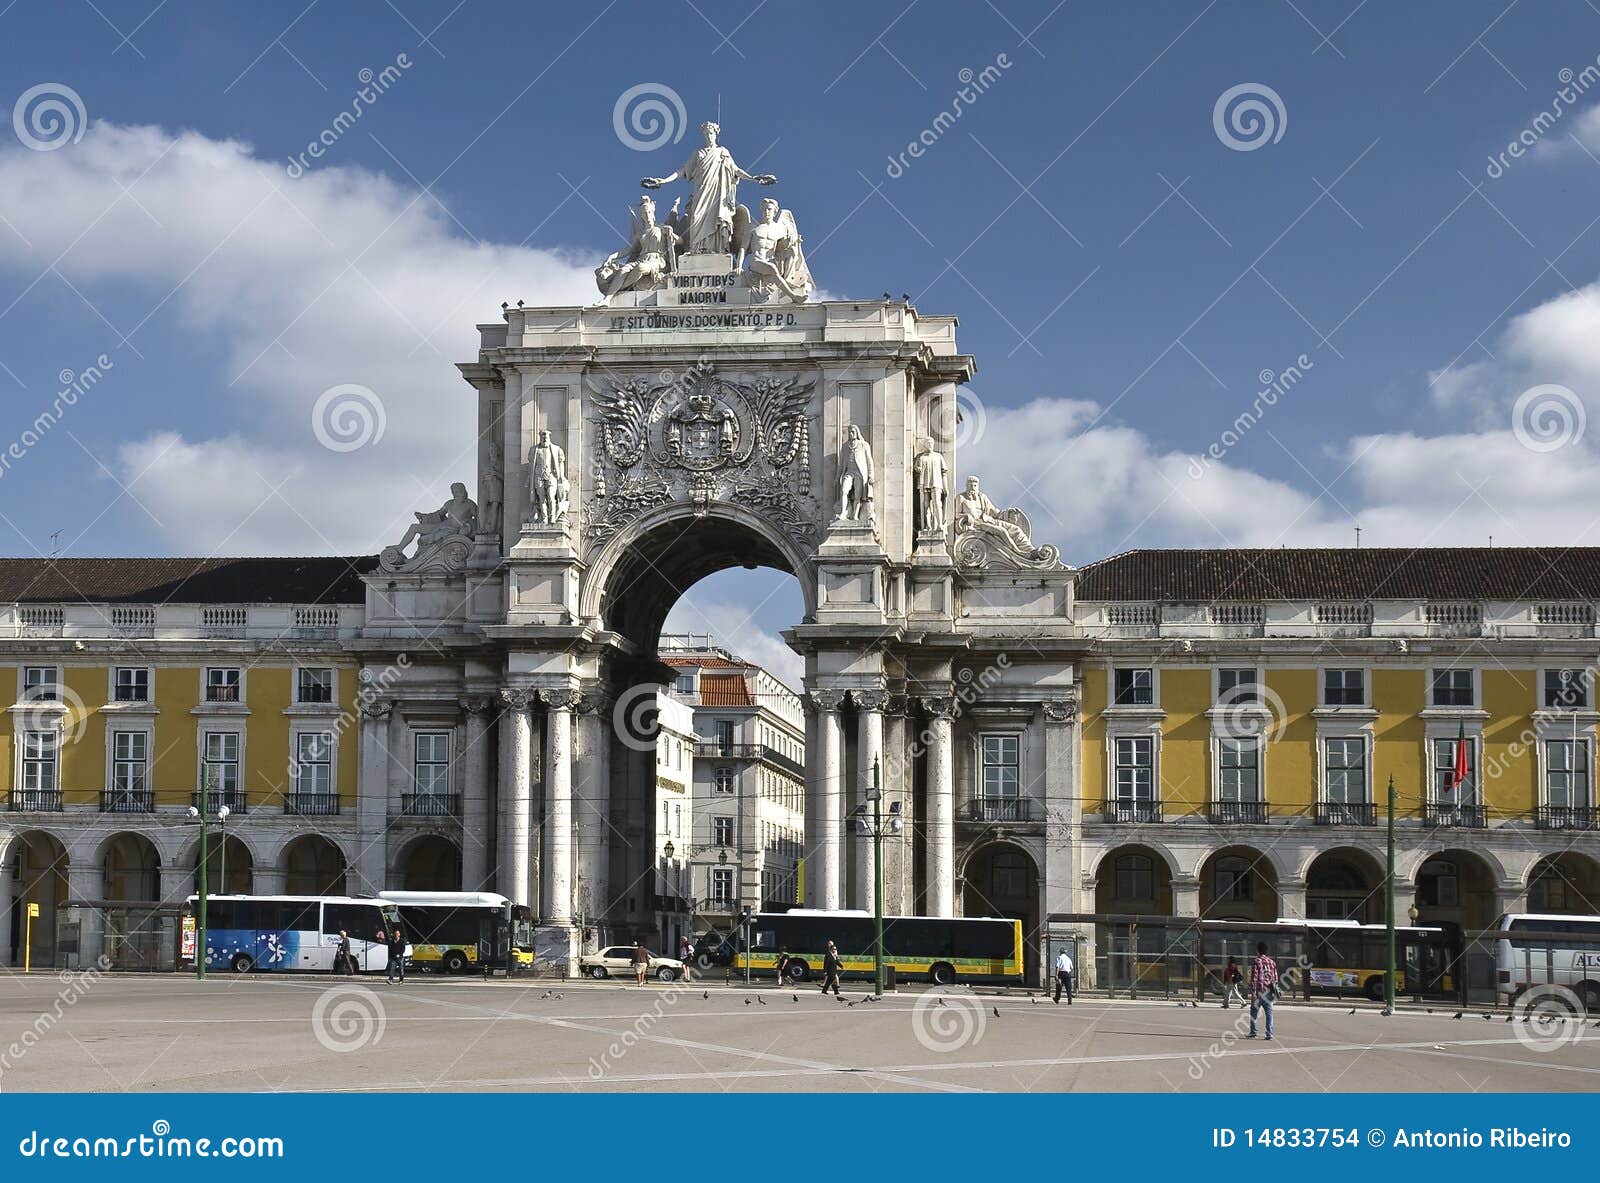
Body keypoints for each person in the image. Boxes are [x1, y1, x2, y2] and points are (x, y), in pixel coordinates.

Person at [1248, 942, 1279, 1040]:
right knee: (1269, 1013)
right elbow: (1275, 978)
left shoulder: (1257, 961)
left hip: (1259, 991)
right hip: (1269, 992)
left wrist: (1253, 992)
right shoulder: (1272, 962)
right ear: (1266, 951)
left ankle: (1253, 1032)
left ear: (1258, 951)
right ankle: (1269, 1034)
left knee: (1254, 1012)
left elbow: (1254, 978)